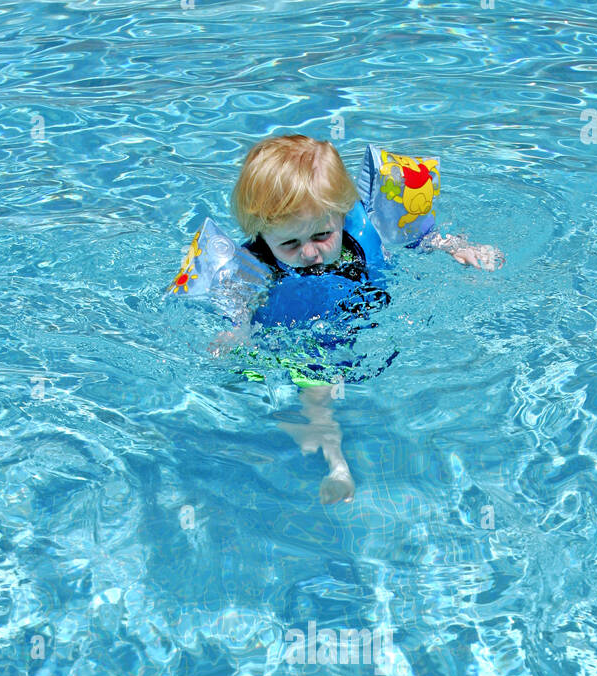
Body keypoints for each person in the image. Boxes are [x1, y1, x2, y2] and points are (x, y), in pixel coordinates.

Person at [208, 135, 503, 504]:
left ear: (342, 211)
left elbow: (425, 240)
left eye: (322, 235)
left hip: (367, 318)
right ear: (262, 235)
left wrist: (458, 247)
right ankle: (337, 464)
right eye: (289, 244)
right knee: (315, 389)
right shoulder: (254, 263)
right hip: (304, 338)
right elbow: (239, 303)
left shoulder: (368, 227)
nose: (310, 252)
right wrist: (237, 333)